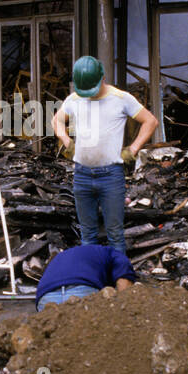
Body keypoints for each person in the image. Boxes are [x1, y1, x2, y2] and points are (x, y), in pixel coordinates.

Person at [51, 56, 158, 253]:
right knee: (88, 234)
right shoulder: (74, 99)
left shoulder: (121, 98)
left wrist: (133, 149)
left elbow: (150, 121)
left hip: (111, 175)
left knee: (115, 233)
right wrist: (67, 142)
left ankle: (120, 280)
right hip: (81, 175)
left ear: (103, 78)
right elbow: (56, 121)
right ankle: (93, 279)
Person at [34, 244, 137, 311]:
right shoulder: (115, 254)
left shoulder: (63, 255)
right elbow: (125, 290)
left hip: (46, 297)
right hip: (81, 290)